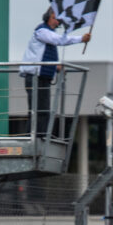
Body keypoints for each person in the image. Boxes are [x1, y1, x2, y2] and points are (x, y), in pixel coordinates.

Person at [19, 9, 90, 137]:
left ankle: (40, 134)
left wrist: (55, 66)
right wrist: (80, 38)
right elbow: (58, 40)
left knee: (43, 109)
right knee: (38, 109)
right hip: (35, 76)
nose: (58, 22)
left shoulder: (47, 33)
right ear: (49, 18)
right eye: (55, 18)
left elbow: (45, 50)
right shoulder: (42, 31)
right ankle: (34, 135)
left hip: (41, 76)